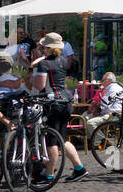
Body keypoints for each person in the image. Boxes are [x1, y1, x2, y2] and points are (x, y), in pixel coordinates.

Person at [30, 33, 87, 183]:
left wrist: (31, 75)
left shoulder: (44, 64)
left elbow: (40, 85)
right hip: (65, 102)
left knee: (52, 142)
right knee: (62, 138)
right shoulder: (62, 60)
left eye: (43, 47)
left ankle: (48, 176)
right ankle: (79, 168)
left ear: (47, 48)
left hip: (53, 104)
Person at [84, 71, 123, 138]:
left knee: (90, 123)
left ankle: (104, 141)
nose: (102, 82)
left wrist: (95, 104)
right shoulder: (116, 87)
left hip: (113, 115)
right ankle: (92, 140)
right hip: (116, 114)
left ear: (107, 81)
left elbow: (105, 104)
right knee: (86, 118)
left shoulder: (112, 88)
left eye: (102, 80)